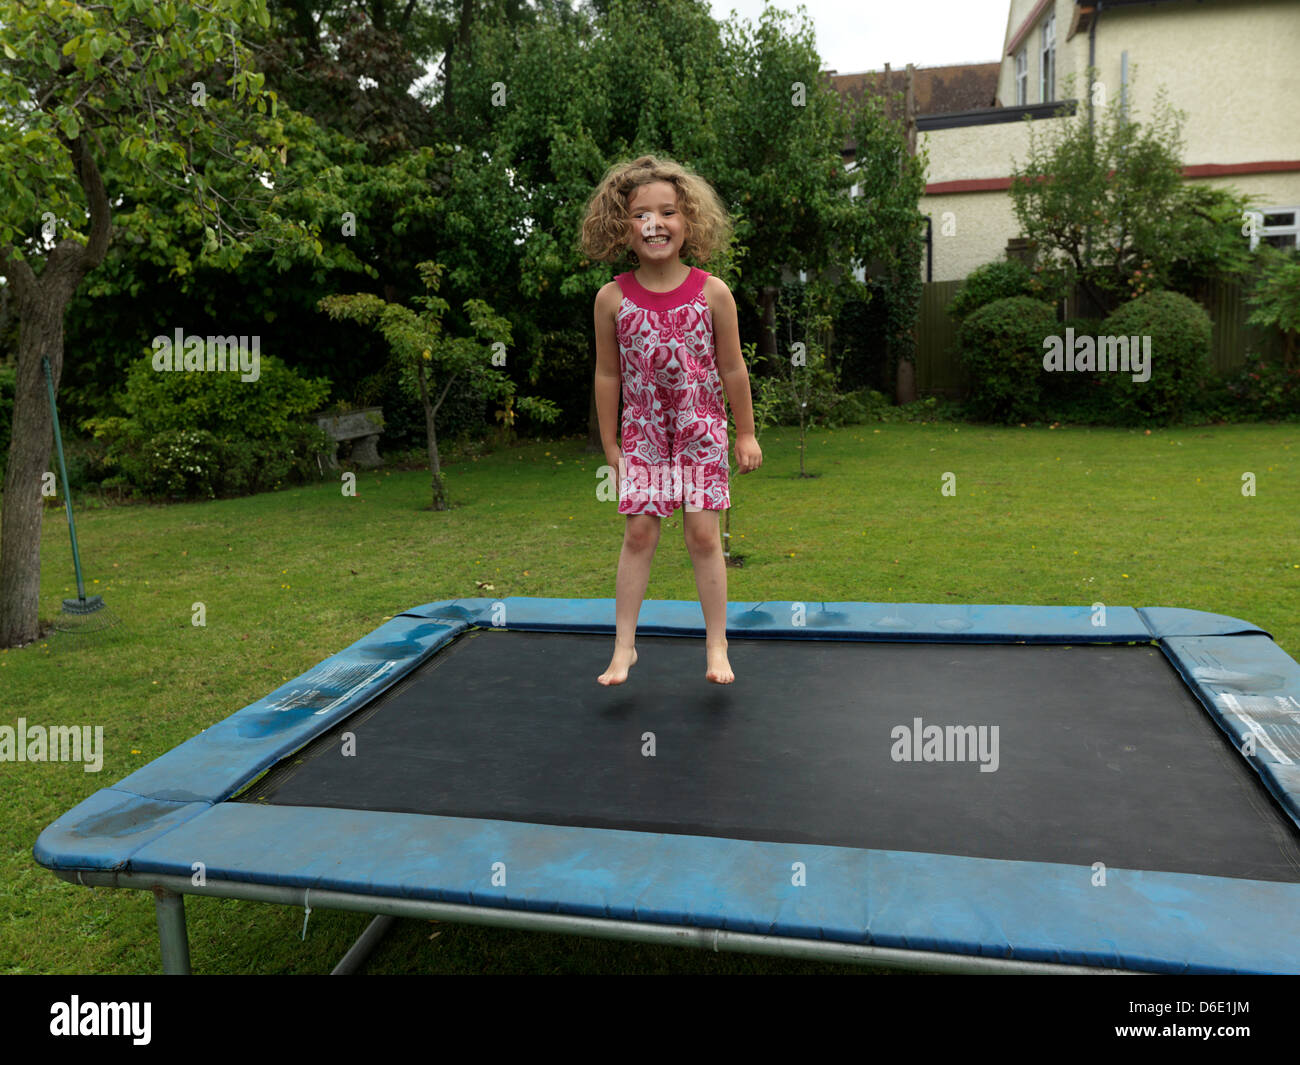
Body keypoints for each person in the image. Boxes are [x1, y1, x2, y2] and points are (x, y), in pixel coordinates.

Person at [580, 155, 762, 686]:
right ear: (622, 226)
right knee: (639, 532)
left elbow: (732, 367)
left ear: (689, 222)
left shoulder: (713, 292)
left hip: (700, 429)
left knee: (703, 536)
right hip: (644, 435)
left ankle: (716, 645)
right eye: (640, 214)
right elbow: (607, 375)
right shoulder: (611, 298)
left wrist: (746, 432)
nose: (655, 224)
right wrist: (611, 445)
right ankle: (623, 647)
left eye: (667, 212)